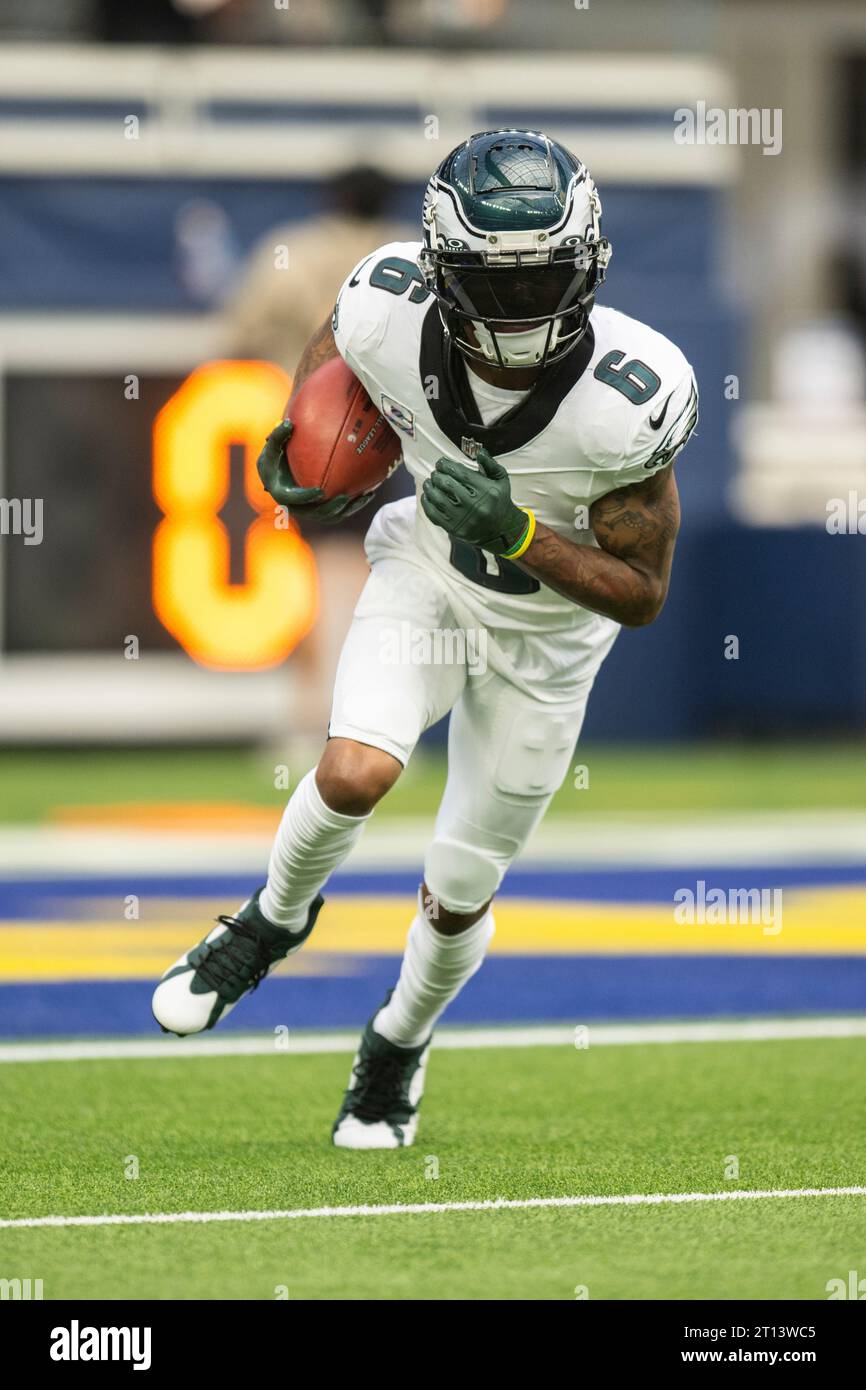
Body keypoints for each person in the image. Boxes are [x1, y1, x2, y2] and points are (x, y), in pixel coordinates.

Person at [153, 129, 699, 1150]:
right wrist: (305, 429)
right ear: (442, 272)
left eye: (544, 278)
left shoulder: (628, 398)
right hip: (429, 582)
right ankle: (266, 921)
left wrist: (521, 533)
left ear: (586, 266)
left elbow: (640, 594)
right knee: (354, 769)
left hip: (546, 651)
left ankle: (395, 1046)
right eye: (496, 285)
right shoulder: (382, 302)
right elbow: (340, 334)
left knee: (456, 897)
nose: (523, 307)